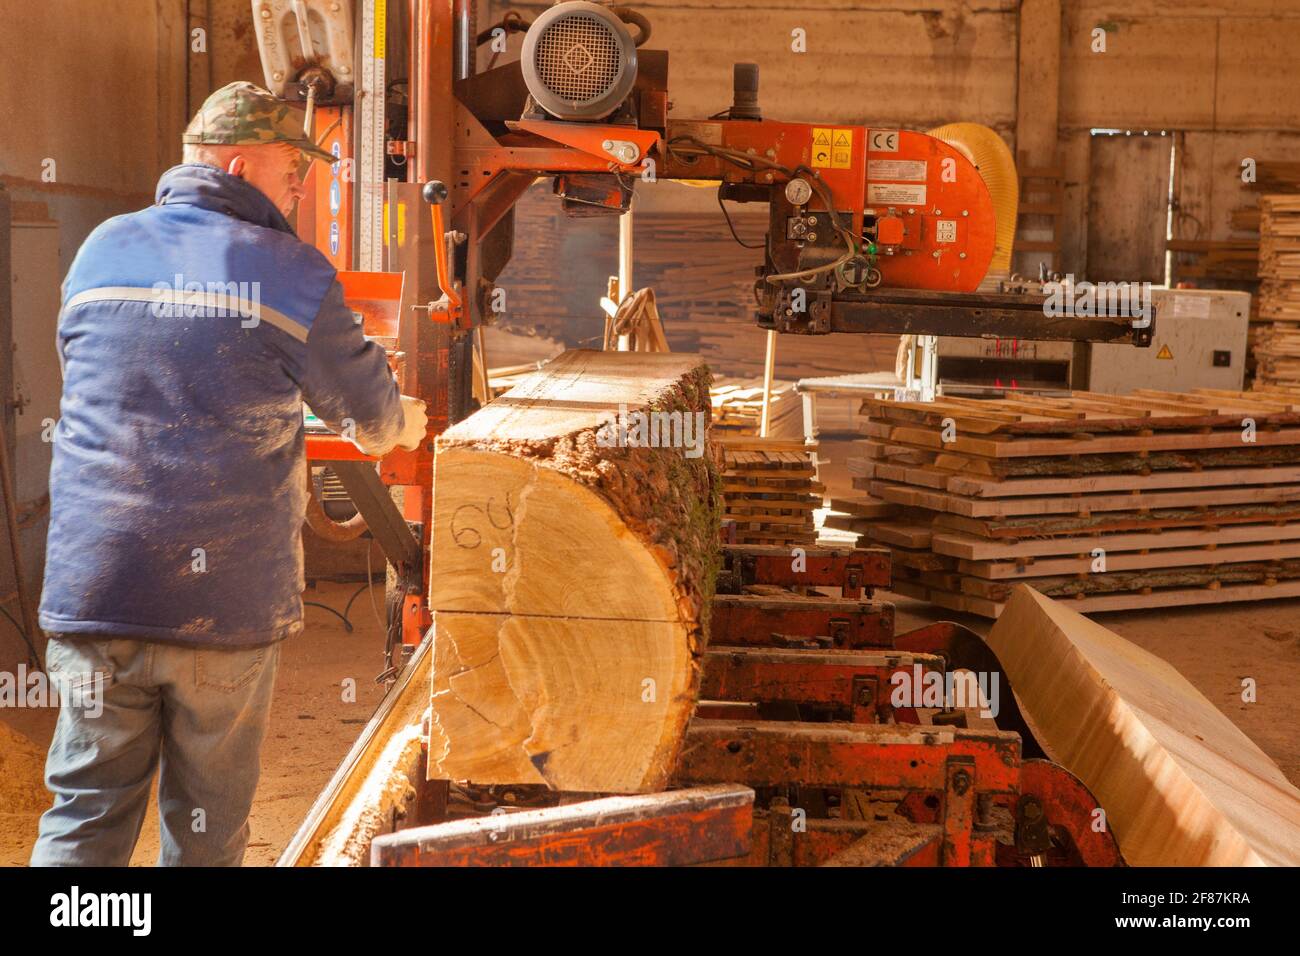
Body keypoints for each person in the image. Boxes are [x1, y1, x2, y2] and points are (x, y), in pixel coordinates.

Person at [29, 81, 426, 866]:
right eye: (293, 167)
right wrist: (403, 418)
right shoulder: (288, 272)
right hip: (222, 601)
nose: (302, 183)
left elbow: (102, 377)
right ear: (239, 163)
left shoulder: (101, 245)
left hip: (95, 589)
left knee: (83, 815)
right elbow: (373, 421)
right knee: (206, 826)